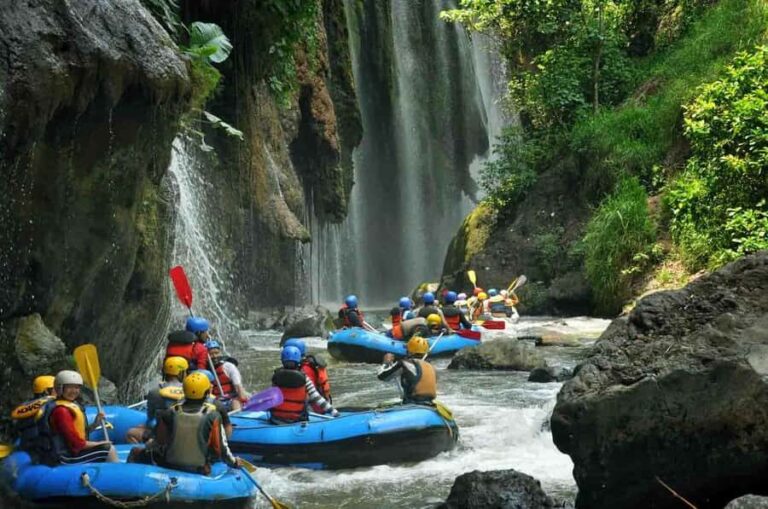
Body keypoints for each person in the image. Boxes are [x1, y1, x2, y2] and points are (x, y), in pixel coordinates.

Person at [131, 372, 241, 473]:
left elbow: (160, 441)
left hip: (168, 465)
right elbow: (221, 448)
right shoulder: (213, 416)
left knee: (135, 452)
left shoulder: (170, 412)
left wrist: (148, 446)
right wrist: (234, 462)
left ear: (184, 391)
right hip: (200, 468)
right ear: (207, 392)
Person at [47, 370, 118, 464]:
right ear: (60, 388)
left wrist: (95, 424)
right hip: (65, 457)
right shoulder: (61, 411)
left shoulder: (70, 405)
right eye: (69, 387)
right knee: (109, 449)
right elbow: (77, 444)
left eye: (76, 387)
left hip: (73, 451)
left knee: (106, 447)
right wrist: (101, 443)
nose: (74, 391)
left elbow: (80, 433)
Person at [125, 356, 187, 443]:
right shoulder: (188, 391)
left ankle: (145, 453)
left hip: (161, 436)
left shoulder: (154, 392)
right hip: (185, 435)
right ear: (181, 373)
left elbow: (150, 416)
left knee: (130, 433)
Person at [271, 346, 338, 423]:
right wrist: (333, 411)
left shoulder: (276, 376)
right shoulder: (304, 378)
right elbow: (317, 398)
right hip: (297, 421)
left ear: (282, 360)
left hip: (276, 419)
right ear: (298, 361)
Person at [377, 336, 437, 405]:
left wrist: (386, 362)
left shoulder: (404, 363)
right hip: (429, 403)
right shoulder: (431, 366)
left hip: (412, 403)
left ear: (410, 352)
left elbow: (382, 376)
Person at [11, 375, 56, 460]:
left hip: (26, 444)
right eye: (55, 388)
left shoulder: (26, 404)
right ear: (46, 391)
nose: (59, 391)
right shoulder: (48, 404)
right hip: (38, 448)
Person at [283, 338, 332, 414]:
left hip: (316, 407)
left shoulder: (305, 369)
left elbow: (311, 395)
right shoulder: (302, 366)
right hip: (316, 403)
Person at [206, 340, 248, 411]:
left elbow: (238, 386)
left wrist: (243, 399)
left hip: (231, 398)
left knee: (236, 403)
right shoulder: (206, 369)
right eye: (211, 354)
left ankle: (237, 419)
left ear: (220, 353)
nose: (214, 356)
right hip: (216, 400)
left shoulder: (228, 366)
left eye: (216, 353)